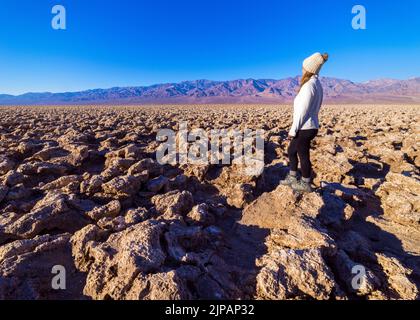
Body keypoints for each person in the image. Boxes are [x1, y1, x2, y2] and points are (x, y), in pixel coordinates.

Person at [281, 52, 329, 192]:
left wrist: (292, 130)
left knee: (303, 155)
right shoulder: (316, 84)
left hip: (305, 128)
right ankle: (293, 176)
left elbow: (302, 111)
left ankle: (306, 183)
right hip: (309, 126)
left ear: (309, 69)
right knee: (291, 151)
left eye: (303, 68)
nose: (301, 70)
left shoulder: (309, 86)